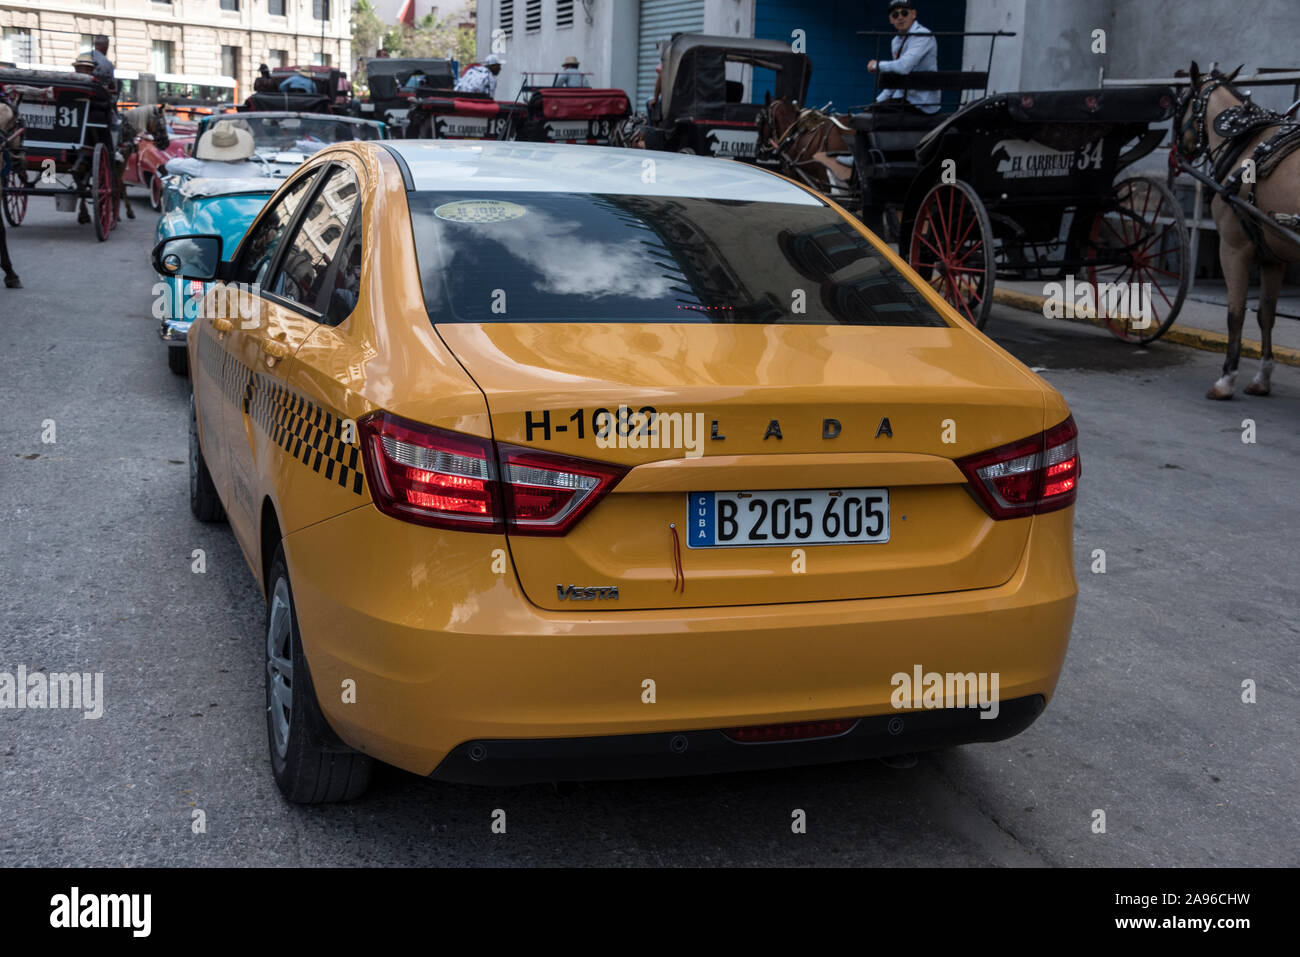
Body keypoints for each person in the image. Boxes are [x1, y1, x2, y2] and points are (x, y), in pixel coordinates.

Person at [866, 1, 939, 115]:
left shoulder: (922, 35)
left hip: (921, 103)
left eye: (904, 13)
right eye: (895, 15)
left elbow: (903, 67)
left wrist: (877, 65)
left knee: (873, 114)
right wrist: (877, 101)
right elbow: (897, 76)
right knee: (869, 111)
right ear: (891, 20)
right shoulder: (895, 42)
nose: (900, 17)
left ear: (913, 14)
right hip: (903, 99)